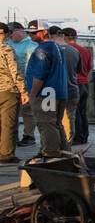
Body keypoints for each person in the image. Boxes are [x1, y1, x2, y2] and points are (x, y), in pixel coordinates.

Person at [23, 20, 68, 158]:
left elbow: (39, 74)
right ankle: (64, 151)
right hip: (59, 92)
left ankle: (50, 153)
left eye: (34, 33)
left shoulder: (42, 50)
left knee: (46, 124)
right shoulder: (57, 47)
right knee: (56, 124)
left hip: (46, 93)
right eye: (29, 33)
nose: (31, 36)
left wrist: (33, 94)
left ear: (44, 32)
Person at [0, 23, 27, 163]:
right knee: (8, 124)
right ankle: (6, 154)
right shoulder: (6, 49)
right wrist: (24, 91)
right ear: (6, 34)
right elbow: (15, 71)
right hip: (7, 91)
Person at [62, 27, 93, 145]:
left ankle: (77, 137)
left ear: (64, 36)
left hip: (74, 83)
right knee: (83, 111)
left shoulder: (67, 50)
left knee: (74, 112)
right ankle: (84, 135)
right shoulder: (85, 50)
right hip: (85, 83)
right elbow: (89, 67)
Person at [50, 29, 81, 146]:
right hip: (72, 88)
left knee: (51, 119)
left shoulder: (50, 51)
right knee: (69, 117)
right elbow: (79, 71)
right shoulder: (74, 51)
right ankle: (68, 143)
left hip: (53, 91)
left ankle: (53, 144)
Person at [8, 23, 37, 146]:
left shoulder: (32, 45)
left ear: (20, 30)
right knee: (10, 112)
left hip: (26, 83)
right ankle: (11, 135)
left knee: (27, 111)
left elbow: (31, 66)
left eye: (11, 32)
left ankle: (29, 135)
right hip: (9, 84)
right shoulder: (8, 44)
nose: (9, 35)